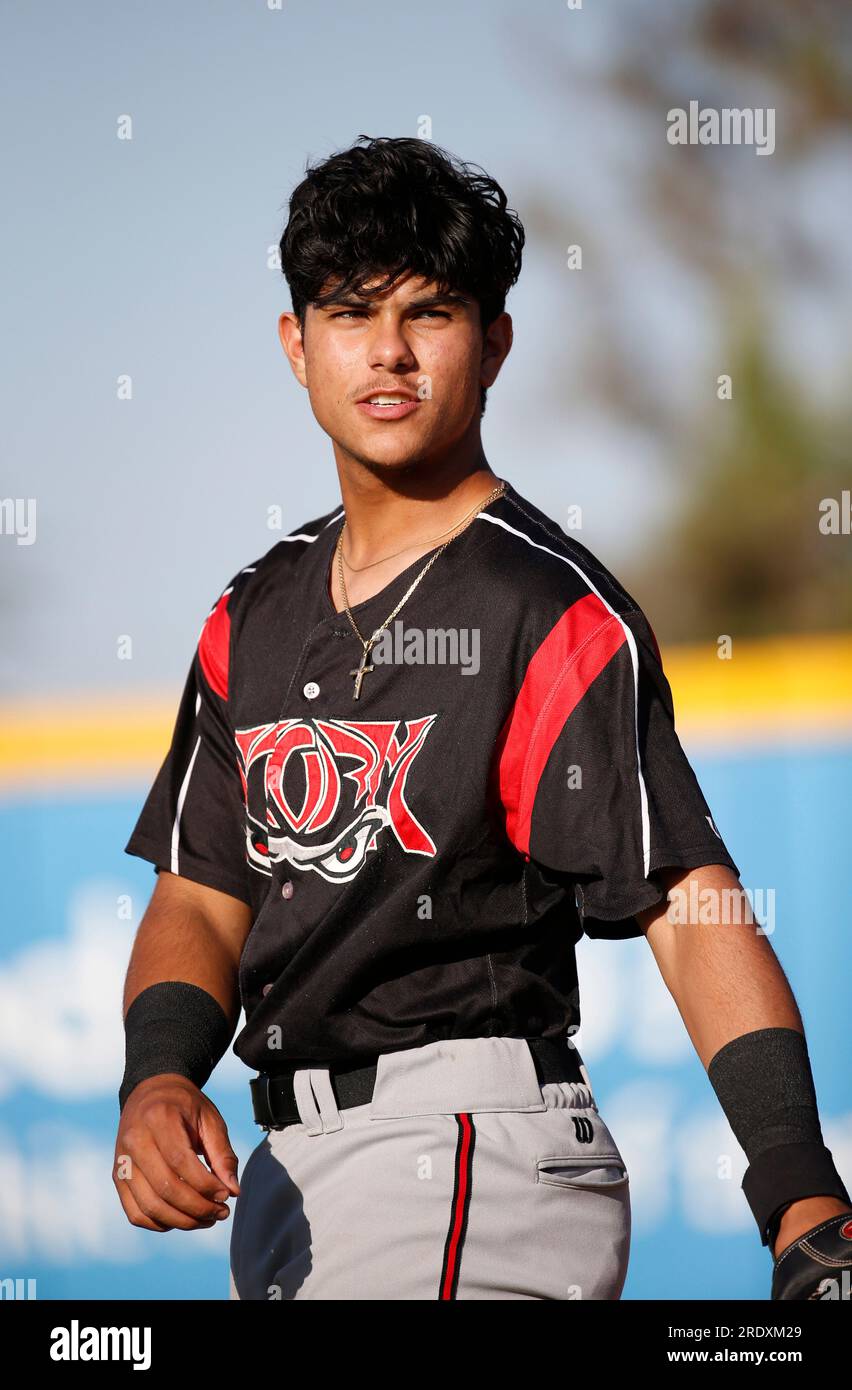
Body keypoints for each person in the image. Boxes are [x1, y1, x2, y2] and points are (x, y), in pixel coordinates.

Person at [114, 135, 851, 1301]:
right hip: (291, 1183)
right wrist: (156, 1074)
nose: (391, 350)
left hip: (462, 1157)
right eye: (351, 312)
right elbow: (204, 894)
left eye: (433, 311)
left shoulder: (544, 607)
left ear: (495, 342)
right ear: (295, 346)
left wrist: (800, 1194)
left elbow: (683, 897)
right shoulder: (250, 615)